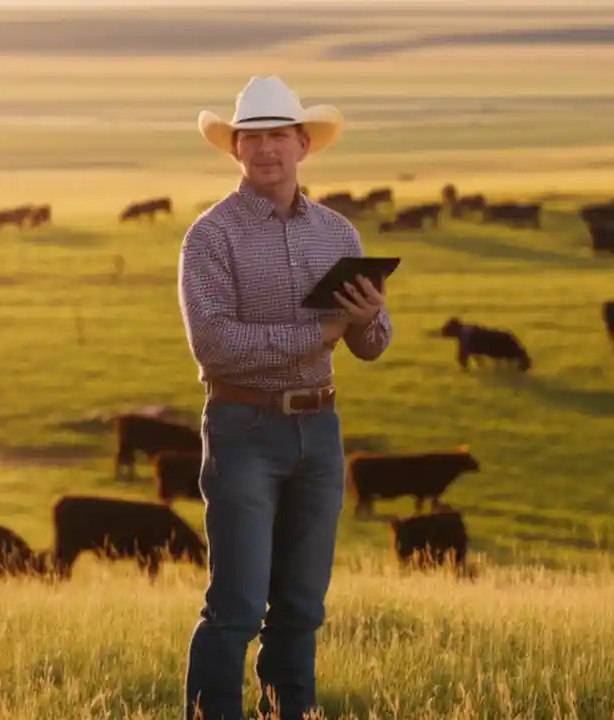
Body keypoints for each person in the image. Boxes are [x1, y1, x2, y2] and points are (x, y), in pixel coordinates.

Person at [178, 76, 393, 720]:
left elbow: (372, 346)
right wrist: (321, 330)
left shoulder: (338, 234)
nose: (267, 149)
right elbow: (214, 346)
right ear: (235, 150)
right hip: (243, 427)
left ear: (303, 145)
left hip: (320, 430)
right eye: (253, 138)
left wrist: (370, 316)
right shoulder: (210, 238)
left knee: (301, 607)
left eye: (279, 136)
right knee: (237, 606)